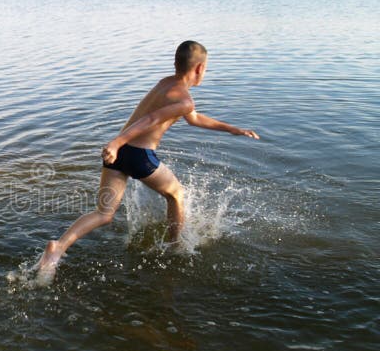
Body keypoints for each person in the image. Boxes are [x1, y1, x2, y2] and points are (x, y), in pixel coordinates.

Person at [35, 41, 259, 281]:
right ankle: (175, 247)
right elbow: (152, 119)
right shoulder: (184, 99)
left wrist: (232, 129)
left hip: (119, 154)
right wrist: (117, 142)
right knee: (176, 195)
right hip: (137, 154)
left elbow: (193, 119)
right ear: (200, 68)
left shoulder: (166, 84)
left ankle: (57, 248)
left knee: (104, 213)